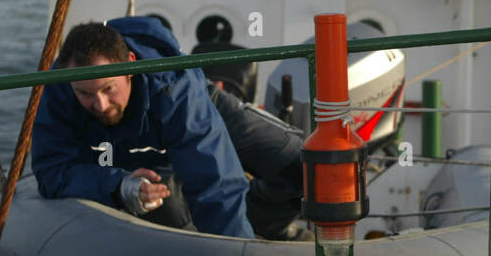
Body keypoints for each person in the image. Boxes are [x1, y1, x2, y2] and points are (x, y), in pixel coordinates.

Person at [32, 16, 307, 240]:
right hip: (125, 153)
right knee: (176, 226)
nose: (100, 104)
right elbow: (51, 169)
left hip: (192, 108)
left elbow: (214, 179)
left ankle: (265, 229)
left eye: (108, 88)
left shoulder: (174, 84)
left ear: (130, 65)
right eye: (85, 94)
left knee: (301, 165)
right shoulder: (61, 90)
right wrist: (118, 185)